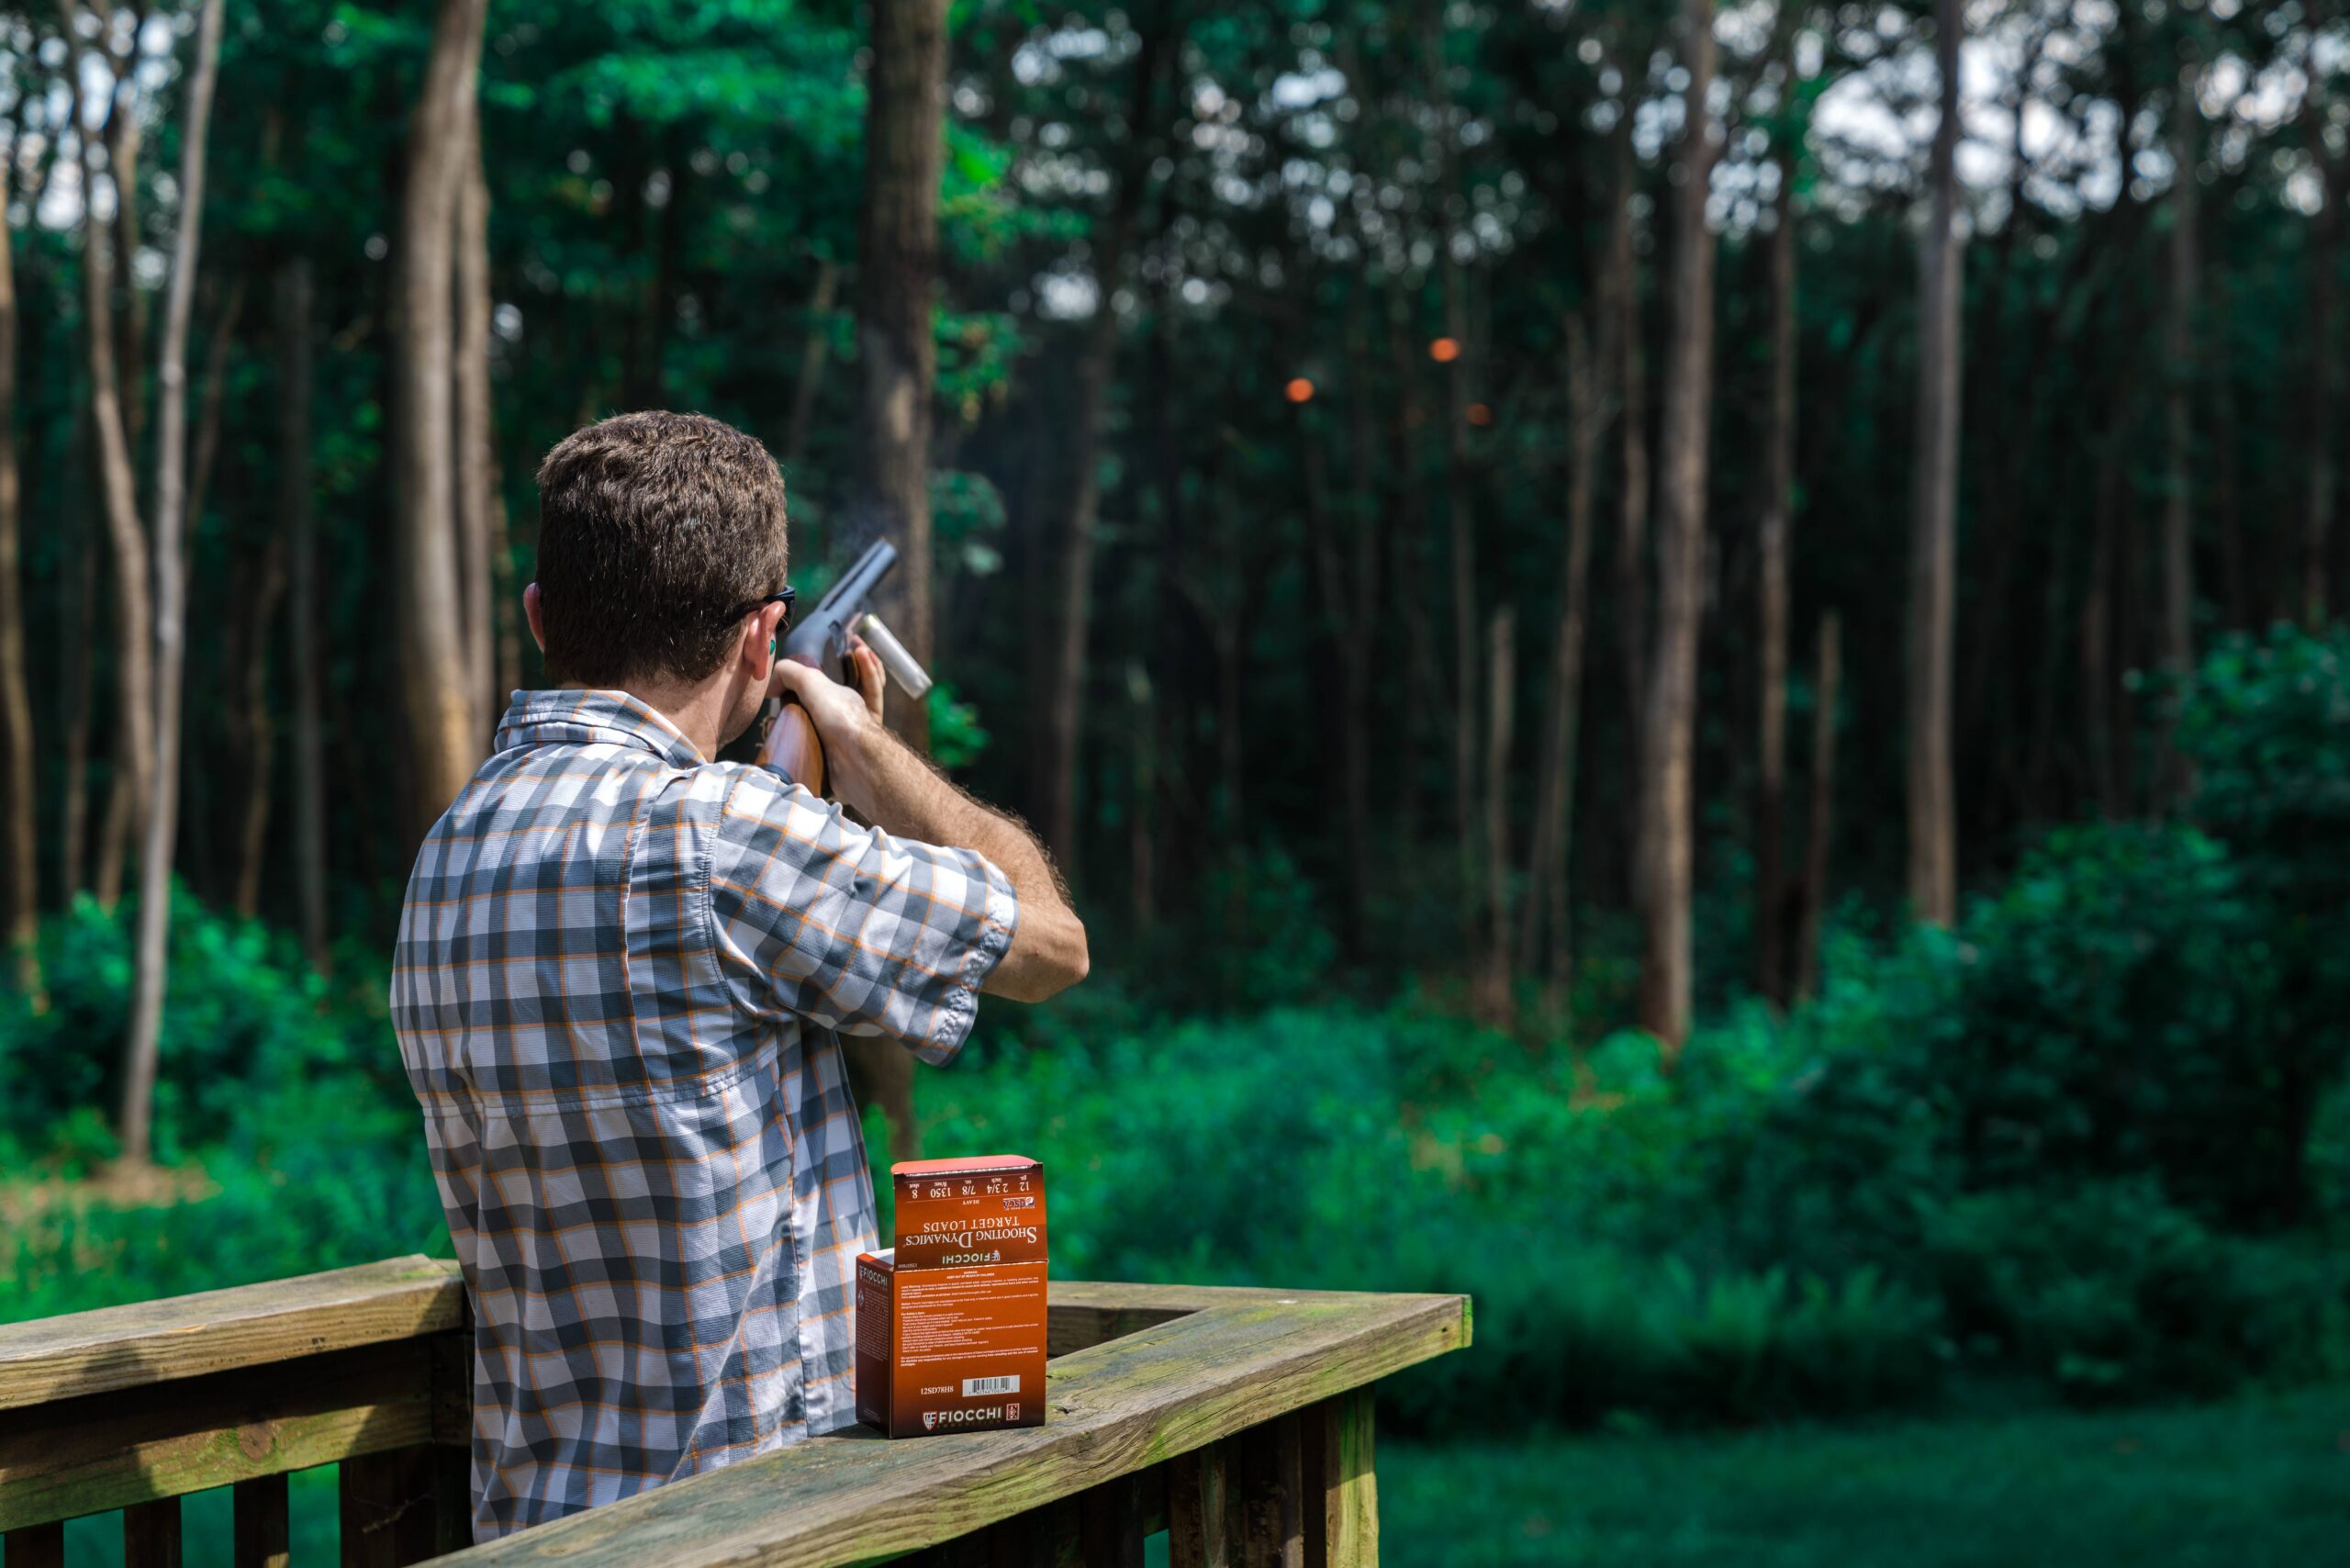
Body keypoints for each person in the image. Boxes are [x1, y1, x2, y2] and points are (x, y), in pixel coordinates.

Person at [390, 410, 1087, 1540]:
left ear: (538, 619)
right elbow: (1052, 944)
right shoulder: (724, 834)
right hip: (744, 1527)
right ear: (763, 640)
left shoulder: (448, 849)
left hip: (531, 1530)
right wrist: (863, 744)